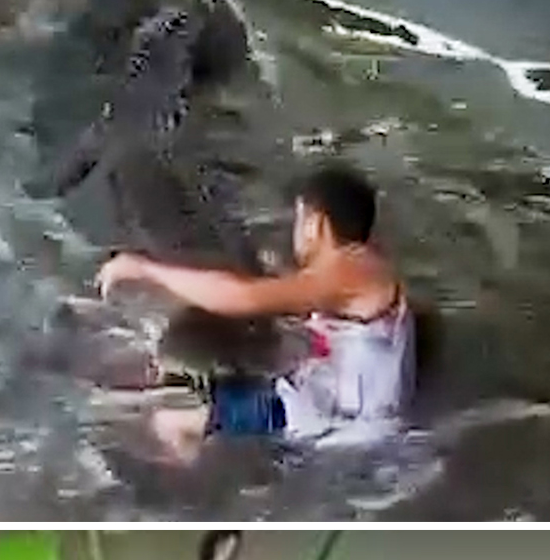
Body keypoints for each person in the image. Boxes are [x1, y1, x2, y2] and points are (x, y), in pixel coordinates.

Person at [94, 163, 416, 458]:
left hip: (336, 427)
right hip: (334, 405)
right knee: (178, 381)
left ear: (314, 225)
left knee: (168, 422)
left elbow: (242, 297)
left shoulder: (349, 271)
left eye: (299, 220)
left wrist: (146, 270)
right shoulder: (363, 266)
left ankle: (204, 506)